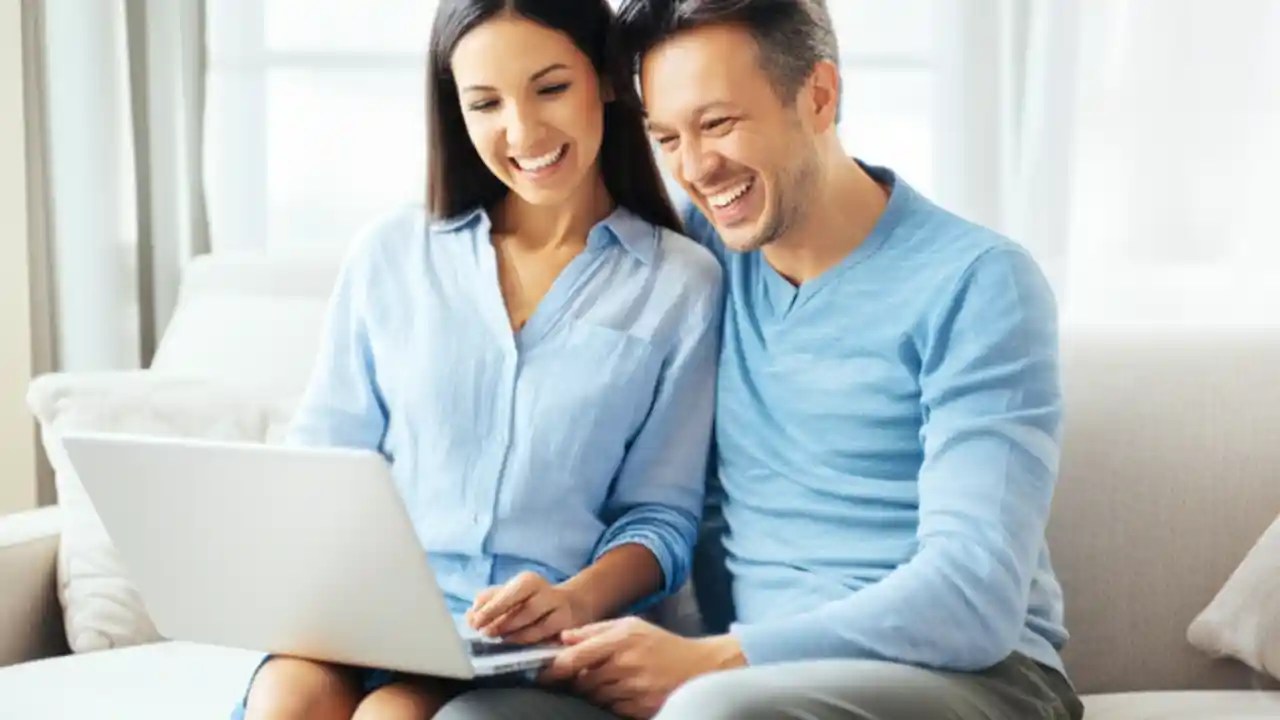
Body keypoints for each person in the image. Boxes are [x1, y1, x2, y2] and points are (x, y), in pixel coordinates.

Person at [432, 1, 1085, 719]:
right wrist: (566, 606)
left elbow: (973, 596)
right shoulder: (698, 263)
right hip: (742, 682)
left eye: (719, 124)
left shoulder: (979, 281)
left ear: (820, 95)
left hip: (973, 675)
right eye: (667, 137)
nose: (697, 168)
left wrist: (714, 661)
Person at [235, 1, 722, 718]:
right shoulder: (391, 254)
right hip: (371, 616)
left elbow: (660, 517)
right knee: (288, 700)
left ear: (608, 80)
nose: (522, 132)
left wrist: (572, 598)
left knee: (391, 716)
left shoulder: (680, 281)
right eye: (486, 102)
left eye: (550, 87)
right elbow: (325, 458)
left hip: (533, 638)